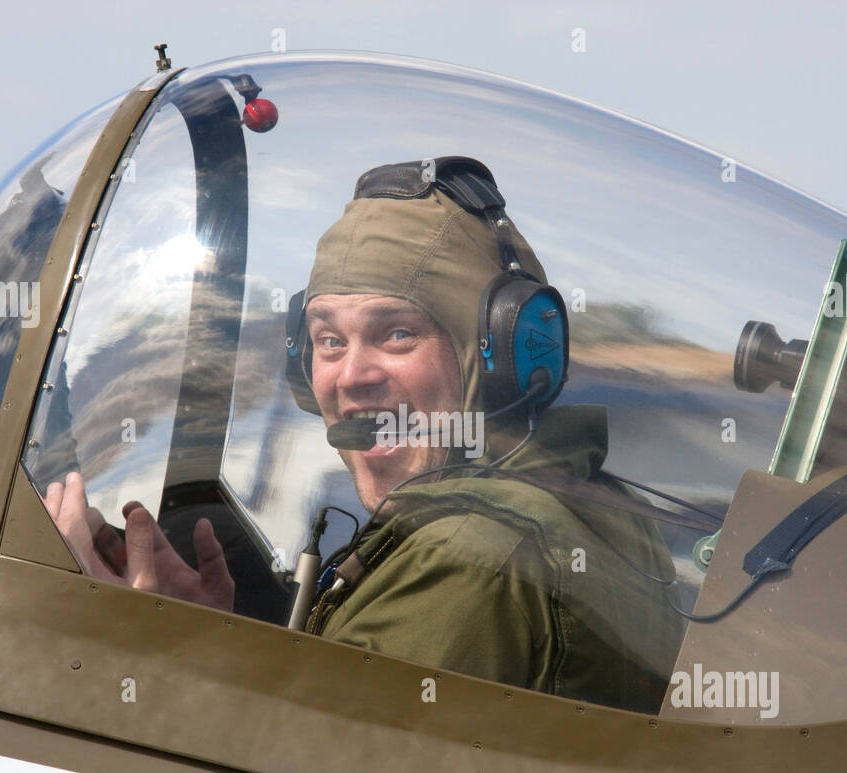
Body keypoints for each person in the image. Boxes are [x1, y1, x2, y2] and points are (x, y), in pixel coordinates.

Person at [45, 157, 685, 714]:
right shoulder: (589, 508)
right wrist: (216, 644)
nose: (351, 377)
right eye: (328, 341)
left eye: (397, 334)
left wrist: (135, 649)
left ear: (499, 359)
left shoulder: (466, 559)